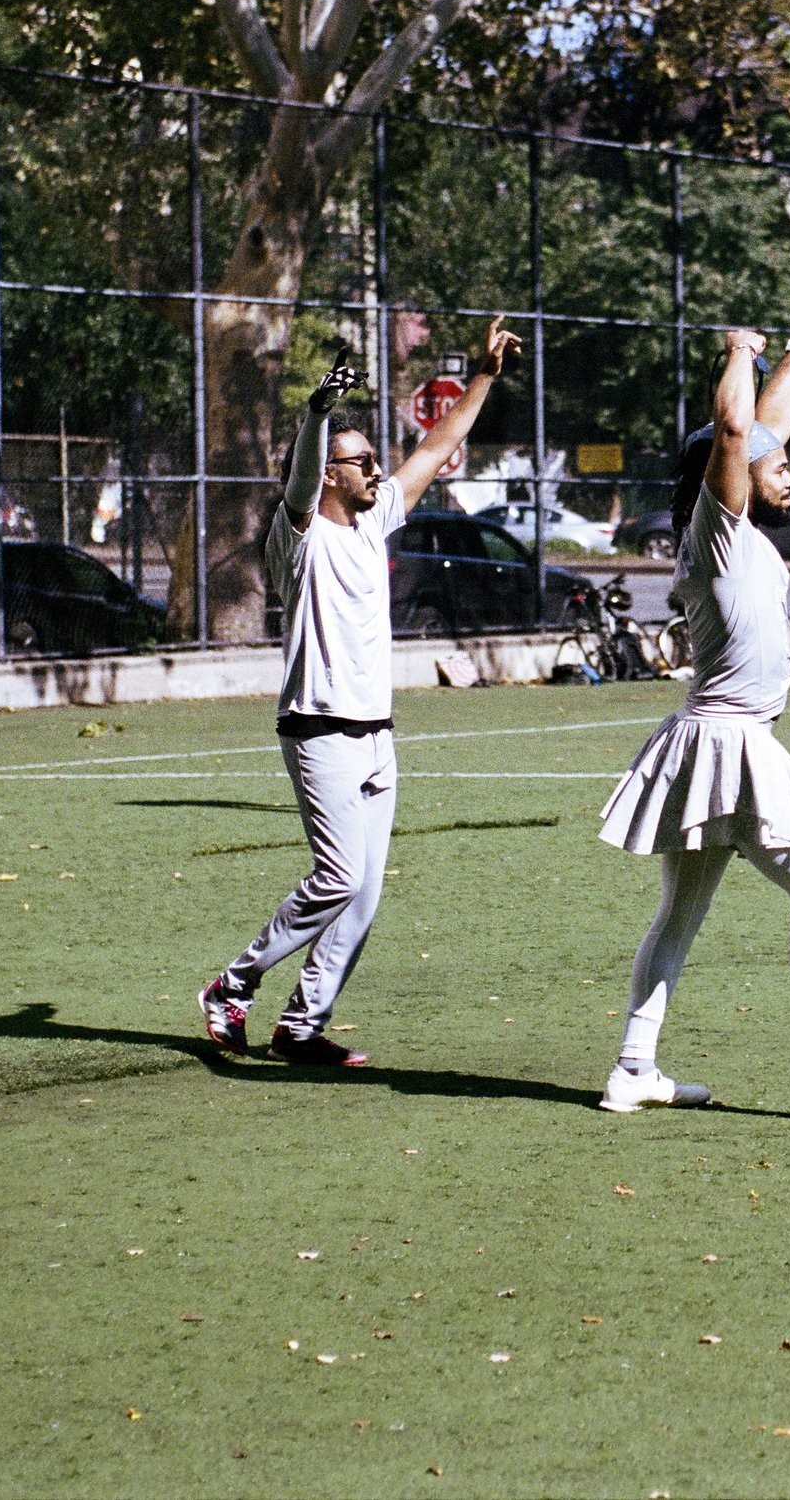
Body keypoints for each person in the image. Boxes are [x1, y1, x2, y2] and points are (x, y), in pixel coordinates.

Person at [596, 284, 790, 1116]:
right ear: (728, 473)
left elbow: (757, 431)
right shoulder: (719, 527)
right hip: (731, 741)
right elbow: (739, 433)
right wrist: (740, 347)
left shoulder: (732, 526)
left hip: (710, 742)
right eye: (780, 469)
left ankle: (634, 1069)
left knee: (681, 914)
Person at [196, 319, 517, 1064]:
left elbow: (436, 450)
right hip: (320, 729)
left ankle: (301, 1026)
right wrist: (314, 416)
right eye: (361, 461)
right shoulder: (300, 535)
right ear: (329, 473)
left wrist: (486, 375)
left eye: (374, 458)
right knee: (337, 876)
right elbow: (300, 483)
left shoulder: (376, 524)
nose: (376, 469)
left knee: (363, 897)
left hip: (378, 733)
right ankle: (233, 987)